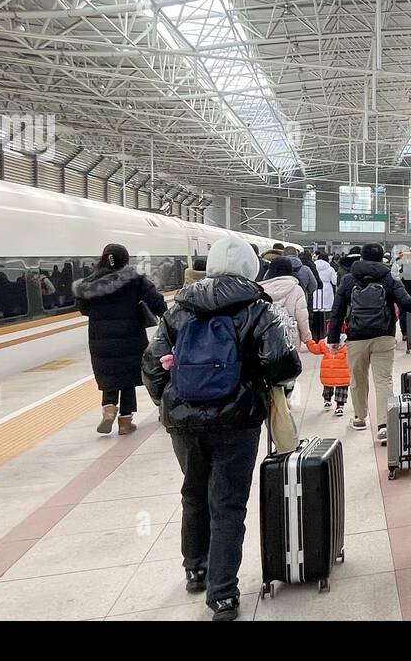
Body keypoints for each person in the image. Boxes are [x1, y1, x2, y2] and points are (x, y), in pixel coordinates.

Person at [141, 233, 302, 622]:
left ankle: (194, 568)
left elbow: (151, 364)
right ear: (251, 268)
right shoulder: (256, 308)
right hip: (238, 420)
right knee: (228, 503)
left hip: (184, 422)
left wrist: (171, 399)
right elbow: (282, 363)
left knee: (193, 493)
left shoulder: (178, 309)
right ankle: (223, 595)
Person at [326, 243, 411, 441]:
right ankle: (384, 425)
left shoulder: (348, 279)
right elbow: (406, 303)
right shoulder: (389, 278)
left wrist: (333, 338)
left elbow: (337, 311)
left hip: (356, 337)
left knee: (357, 379)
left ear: (361, 257)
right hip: (384, 336)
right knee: (383, 380)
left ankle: (360, 418)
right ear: (382, 259)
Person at [74, 244, 167, 435]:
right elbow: (156, 301)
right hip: (130, 335)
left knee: (110, 375)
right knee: (128, 378)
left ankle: (109, 408)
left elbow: (83, 309)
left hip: (100, 338)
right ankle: (125, 421)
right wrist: (166, 316)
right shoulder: (134, 279)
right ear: (125, 259)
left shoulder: (90, 282)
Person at [259, 256, 323, 356]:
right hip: (290, 336)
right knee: (290, 367)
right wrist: (307, 339)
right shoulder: (296, 289)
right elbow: (302, 317)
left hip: (265, 336)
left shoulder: (261, 289)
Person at [311, 251, 337, 344]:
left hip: (316, 290)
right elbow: (334, 281)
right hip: (327, 290)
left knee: (315, 312)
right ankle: (325, 335)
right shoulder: (330, 269)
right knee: (326, 314)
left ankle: (315, 337)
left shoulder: (313, 267)